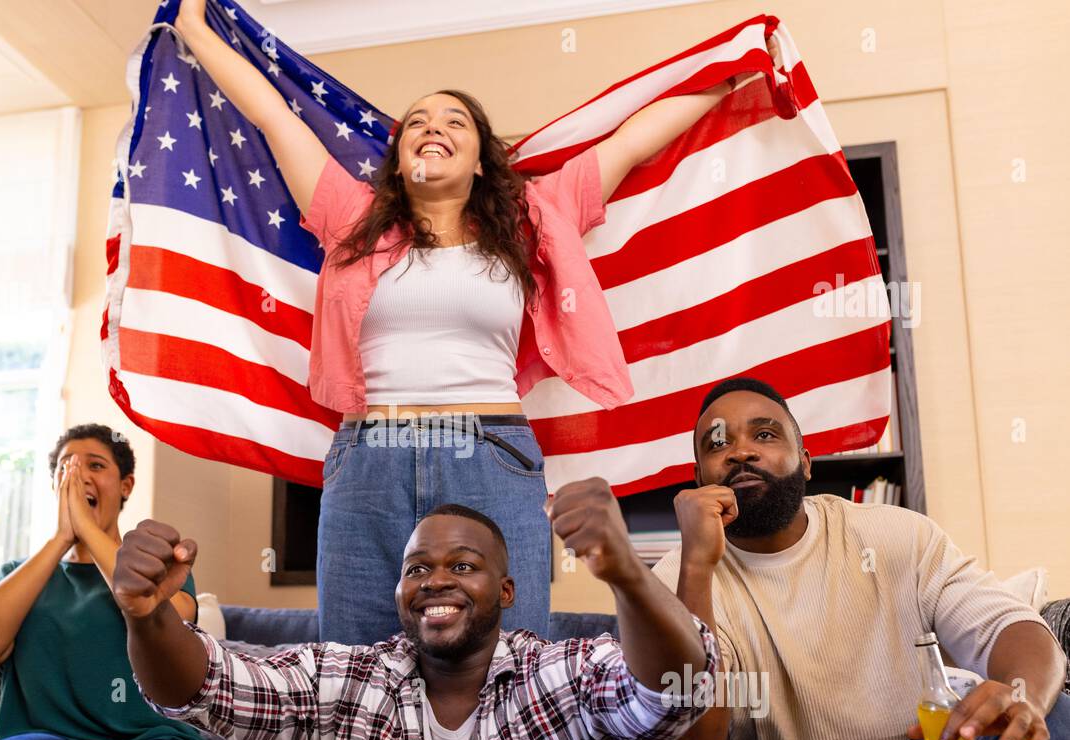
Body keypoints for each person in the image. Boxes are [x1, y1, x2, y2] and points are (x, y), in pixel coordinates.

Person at [172, 0, 783, 646]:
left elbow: (629, 143)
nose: (433, 127)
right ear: (397, 156)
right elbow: (271, 115)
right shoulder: (349, 218)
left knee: (509, 659)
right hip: (368, 461)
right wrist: (191, 27)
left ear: (482, 161)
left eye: (454, 120)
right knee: (352, 666)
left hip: (488, 453)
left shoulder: (533, 218)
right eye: (417, 123)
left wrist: (732, 72)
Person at [112, 476, 719, 740]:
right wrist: (148, 615)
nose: (436, 581)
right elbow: (210, 689)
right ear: (398, 593)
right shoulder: (353, 681)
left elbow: (673, 694)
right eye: (417, 569)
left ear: (507, 592)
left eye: (462, 566)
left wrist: (628, 577)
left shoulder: (555, 672)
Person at [611, 378, 1070, 740]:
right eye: (718, 444)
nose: (741, 452)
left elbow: (1008, 625)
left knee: (1045, 714)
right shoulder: (678, 576)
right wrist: (698, 566)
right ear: (700, 478)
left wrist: (1023, 696)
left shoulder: (894, 534)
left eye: (764, 435)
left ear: (806, 463)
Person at [0, 424, 222, 740]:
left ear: (126, 485)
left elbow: (169, 620)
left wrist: (90, 530)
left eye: (95, 466)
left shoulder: (162, 567)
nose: (80, 477)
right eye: (67, 469)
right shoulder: (21, 577)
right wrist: (63, 538)